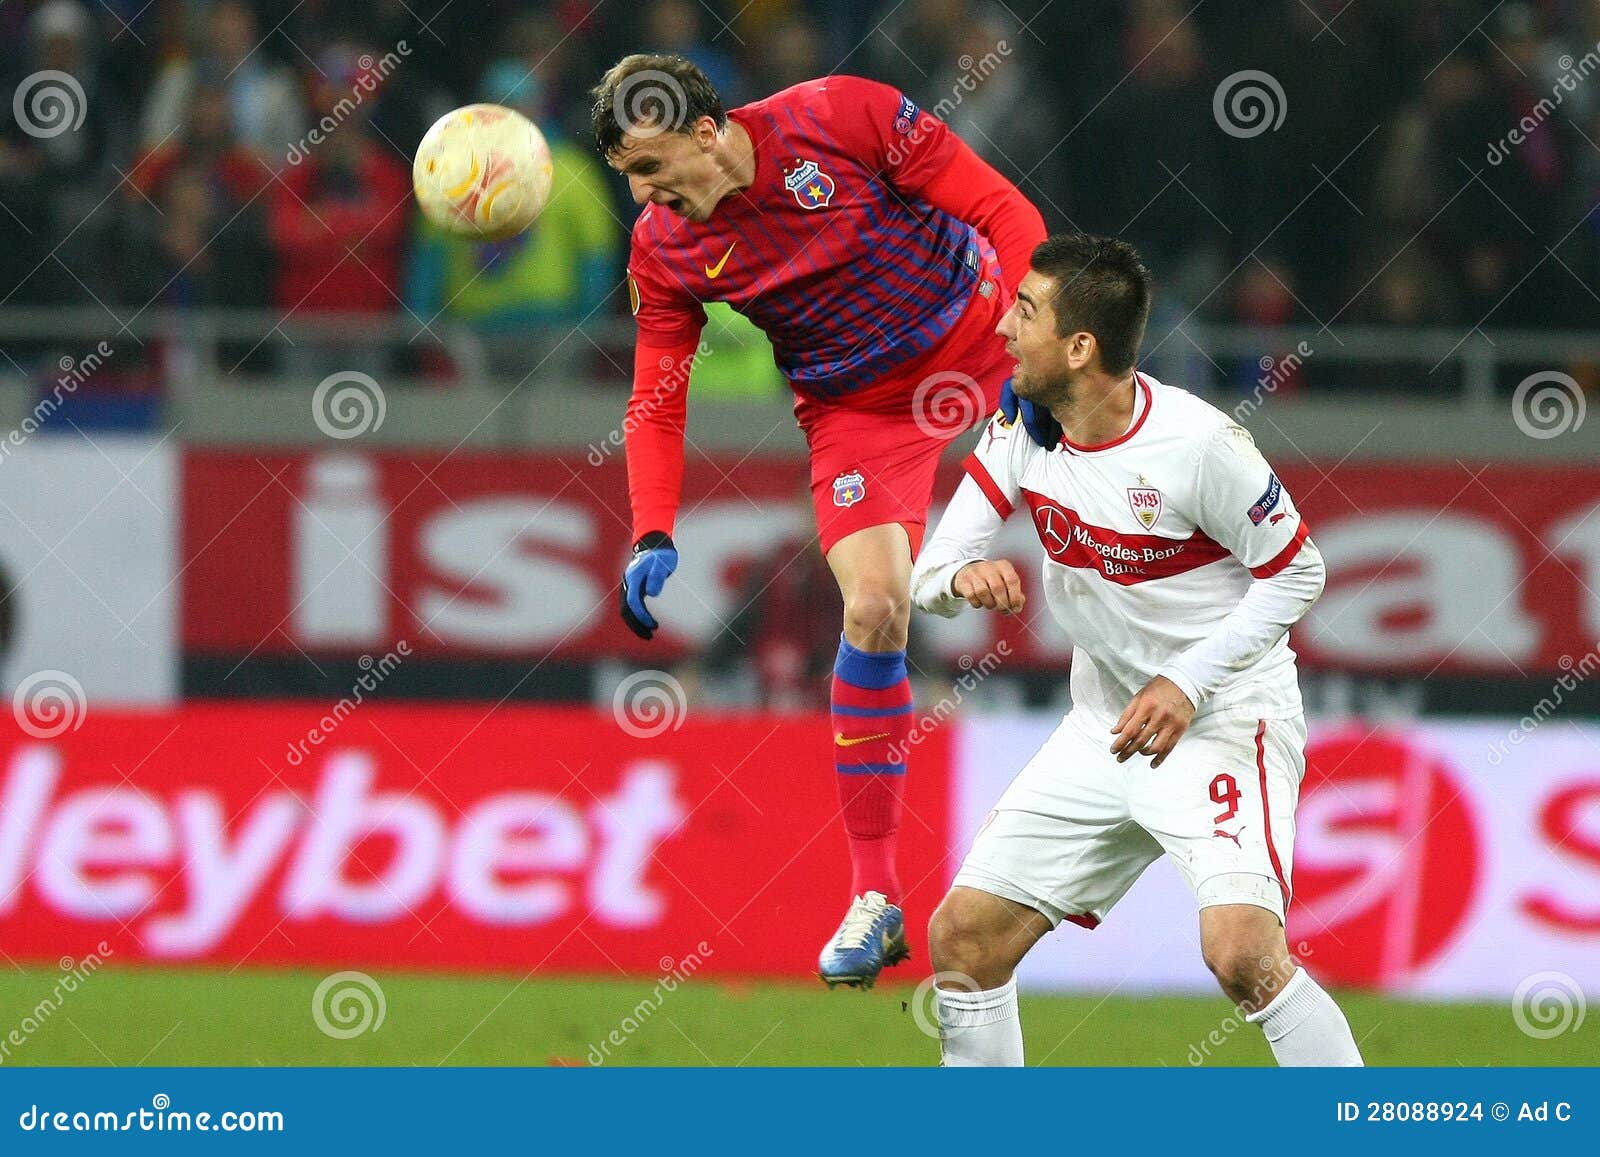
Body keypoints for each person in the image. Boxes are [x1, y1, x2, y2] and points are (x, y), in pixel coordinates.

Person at [590, 53, 1046, 988]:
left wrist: (1036, 342)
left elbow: (1006, 212)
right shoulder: (663, 247)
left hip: (986, 345)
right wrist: (651, 527)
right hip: (858, 415)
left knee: (1130, 530)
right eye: (628, 178)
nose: (642, 194)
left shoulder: (840, 117)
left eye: (648, 167)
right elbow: (655, 398)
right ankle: (875, 897)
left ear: (706, 131)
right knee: (874, 610)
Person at [910, 233, 1363, 1067]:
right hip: (1104, 726)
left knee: (1242, 955)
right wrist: (960, 577)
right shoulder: (1022, 424)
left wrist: (1186, 681)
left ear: (1081, 348)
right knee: (964, 939)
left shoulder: (1200, 446)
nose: (1004, 328)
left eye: (1025, 311)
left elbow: (1299, 572)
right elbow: (928, 570)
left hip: (1225, 718)